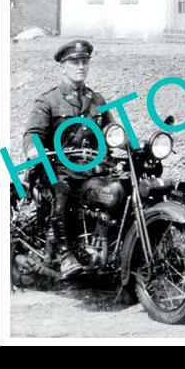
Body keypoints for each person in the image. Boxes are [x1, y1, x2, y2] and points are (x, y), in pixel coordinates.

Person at [22, 39, 117, 278]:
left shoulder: (97, 100)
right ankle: (66, 254)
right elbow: (33, 134)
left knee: (120, 189)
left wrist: (127, 141)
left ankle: (111, 245)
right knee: (62, 190)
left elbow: (112, 130)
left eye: (85, 61)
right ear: (62, 67)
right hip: (58, 167)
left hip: (93, 168)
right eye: (75, 62)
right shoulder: (48, 101)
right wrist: (34, 149)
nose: (81, 66)